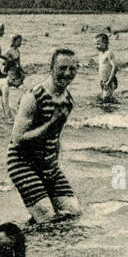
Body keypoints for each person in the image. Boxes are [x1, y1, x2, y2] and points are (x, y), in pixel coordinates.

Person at [7, 48, 82, 224]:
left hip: (48, 165)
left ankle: (33, 234)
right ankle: (26, 242)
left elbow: (56, 139)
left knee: (73, 214)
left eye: (73, 68)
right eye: (62, 68)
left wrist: (54, 166)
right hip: (22, 162)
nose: (67, 73)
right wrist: (50, 123)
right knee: (47, 218)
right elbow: (18, 139)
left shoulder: (67, 101)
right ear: (51, 67)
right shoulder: (34, 96)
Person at [95, 33, 119, 101]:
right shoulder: (100, 54)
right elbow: (102, 66)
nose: (96, 46)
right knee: (103, 98)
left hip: (110, 80)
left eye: (98, 44)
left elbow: (115, 67)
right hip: (103, 81)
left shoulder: (109, 53)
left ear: (106, 43)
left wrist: (109, 81)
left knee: (106, 98)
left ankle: (114, 107)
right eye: (95, 44)